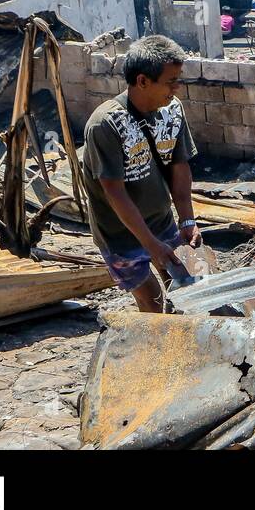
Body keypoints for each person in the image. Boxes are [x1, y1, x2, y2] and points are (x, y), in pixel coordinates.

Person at [81, 35, 201, 313]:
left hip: (161, 222)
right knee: (152, 300)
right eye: (171, 81)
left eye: (178, 79)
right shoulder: (105, 124)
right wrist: (151, 245)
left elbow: (179, 165)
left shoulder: (172, 111)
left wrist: (187, 220)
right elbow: (115, 192)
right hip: (119, 235)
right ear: (143, 81)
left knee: (187, 286)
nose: (177, 88)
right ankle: (159, 352)